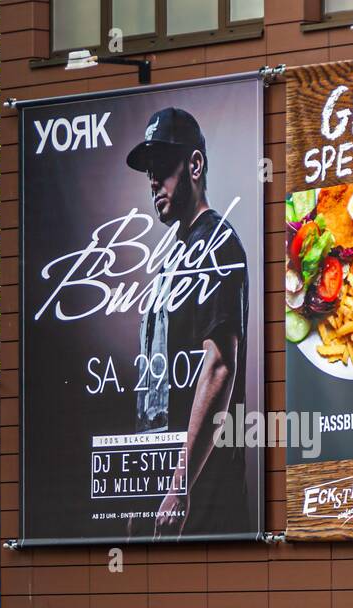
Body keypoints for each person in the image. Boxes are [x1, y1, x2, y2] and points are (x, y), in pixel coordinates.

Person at [125, 106, 250, 541]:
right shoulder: (172, 255)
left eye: (163, 167)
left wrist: (178, 487)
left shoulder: (217, 244)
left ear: (194, 165)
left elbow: (219, 367)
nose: (154, 181)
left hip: (201, 497)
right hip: (160, 490)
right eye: (149, 173)